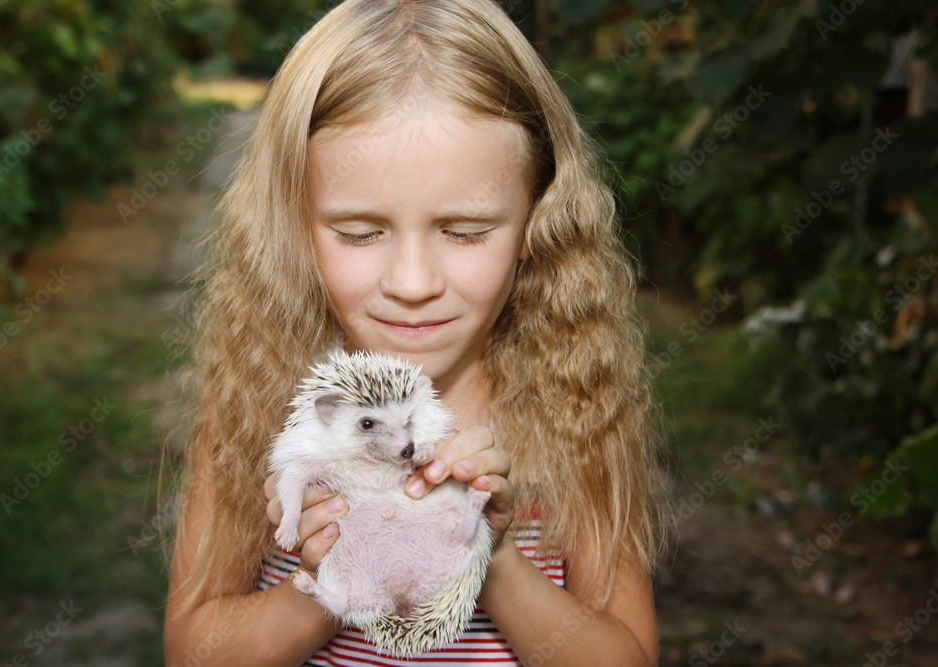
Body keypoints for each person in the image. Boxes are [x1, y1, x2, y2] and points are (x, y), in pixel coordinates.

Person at [164, 0, 668, 664]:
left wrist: (491, 558)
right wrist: (333, 579)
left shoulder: (577, 405)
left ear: (535, 221)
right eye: (359, 232)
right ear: (294, 220)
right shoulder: (262, 408)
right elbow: (194, 651)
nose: (411, 280)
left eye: (464, 231)